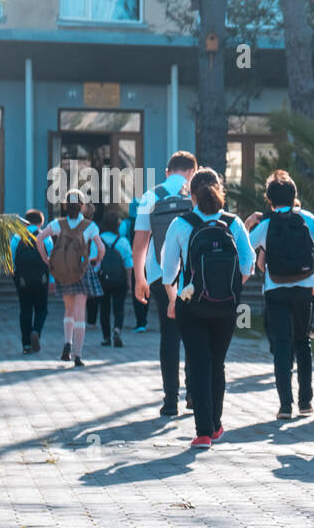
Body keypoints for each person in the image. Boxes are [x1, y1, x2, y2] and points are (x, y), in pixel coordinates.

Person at [159, 167, 255, 449]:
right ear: (219, 191)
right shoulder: (233, 222)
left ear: (192, 194)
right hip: (226, 306)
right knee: (217, 363)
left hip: (191, 304)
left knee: (198, 363)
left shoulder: (181, 223)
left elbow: (168, 271)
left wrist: (174, 299)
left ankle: (202, 432)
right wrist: (229, 287)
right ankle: (215, 425)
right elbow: (247, 265)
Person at [248, 171, 314, 419]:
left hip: (275, 288)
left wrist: (250, 224)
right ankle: (306, 402)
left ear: (270, 200)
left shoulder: (266, 224)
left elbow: (245, 249)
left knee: (282, 344)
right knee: (302, 341)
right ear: (294, 196)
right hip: (303, 287)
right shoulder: (307, 218)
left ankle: (285, 405)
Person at [132, 151, 197, 416]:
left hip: (160, 276)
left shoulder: (151, 196)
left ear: (168, 172)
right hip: (192, 277)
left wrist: (139, 278)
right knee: (194, 334)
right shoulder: (196, 195)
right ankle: (194, 394)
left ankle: (170, 400)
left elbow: (140, 242)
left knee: (169, 335)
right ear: (192, 172)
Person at [36, 189, 106, 368]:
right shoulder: (90, 226)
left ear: (66, 206)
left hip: (63, 271)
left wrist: (47, 260)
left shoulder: (57, 224)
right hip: (82, 271)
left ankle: (67, 343)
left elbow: (39, 238)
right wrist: (96, 262)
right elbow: (101, 248)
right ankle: (78, 355)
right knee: (80, 313)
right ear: (82, 207)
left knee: (68, 310)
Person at [10, 209, 52, 355]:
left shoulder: (16, 237)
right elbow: (50, 260)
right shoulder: (45, 238)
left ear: (25, 222)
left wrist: (15, 275)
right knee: (42, 309)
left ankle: (26, 344)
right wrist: (51, 280)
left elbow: (10, 260)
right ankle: (36, 331)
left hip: (22, 279)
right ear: (41, 222)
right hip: (42, 279)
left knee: (25, 310)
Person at [91, 211, 133, 347]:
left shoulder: (98, 240)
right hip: (119, 279)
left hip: (102, 279)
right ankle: (117, 329)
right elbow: (128, 264)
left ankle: (106, 337)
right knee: (119, 307)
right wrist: (129, 281)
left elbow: (94, 262)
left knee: (104, 308)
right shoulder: (123, 241)